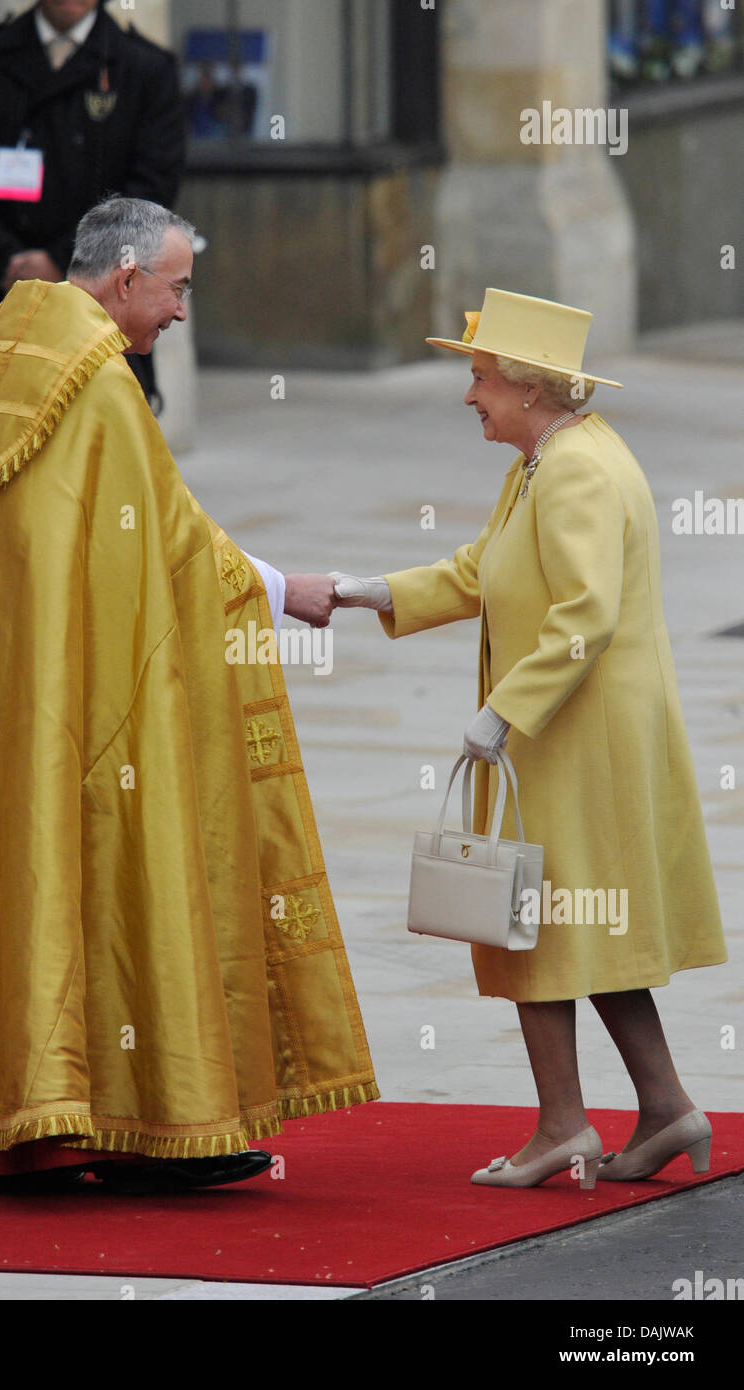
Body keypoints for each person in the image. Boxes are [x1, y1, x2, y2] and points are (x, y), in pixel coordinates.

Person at [0, 197, 376, 1193]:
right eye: (177, 288)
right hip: (59, 701)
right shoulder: (96, 386)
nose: (181, 312)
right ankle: (100, 1123)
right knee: (93, 869)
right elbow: (171, 544)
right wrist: (281, 589)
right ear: (124, 282)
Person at [332, 288, 726, 1188]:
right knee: (577, 925)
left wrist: (501, 711)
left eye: (477, 377)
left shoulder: (576, 468)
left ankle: (562, 1130)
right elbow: (480, 569)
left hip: (573, 734)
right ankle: (665, 1110)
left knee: (533, 925)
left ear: (527, 387)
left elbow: (584, 615)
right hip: (571, 733)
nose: (468, 395)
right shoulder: (546, 458)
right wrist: (373, 591)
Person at [0, 0, 186, 408]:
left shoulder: (143, 68)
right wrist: (5, 261)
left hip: (97, 307)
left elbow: (148, 192)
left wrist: (63, 261)